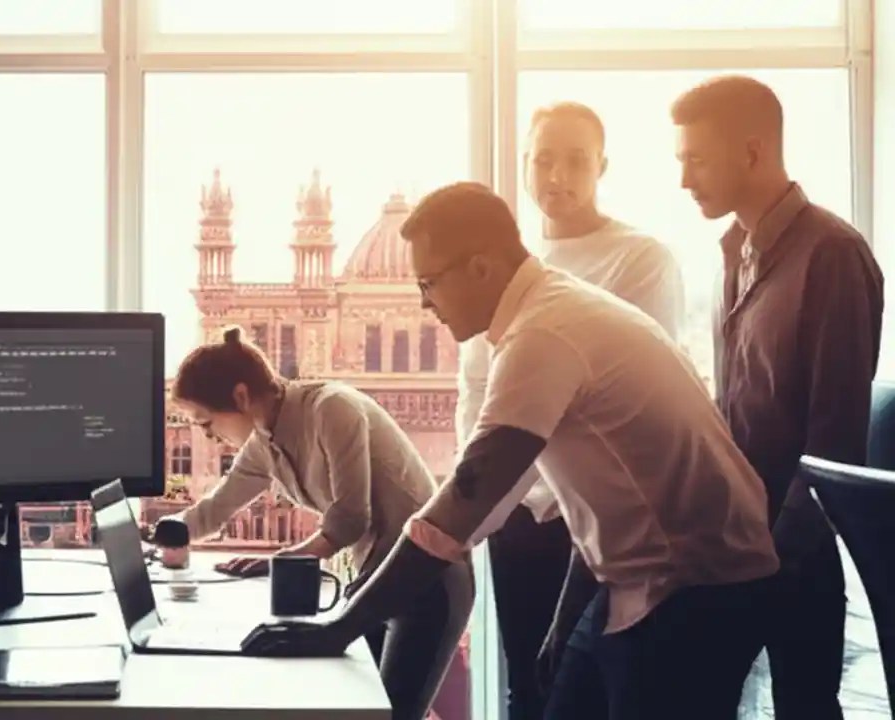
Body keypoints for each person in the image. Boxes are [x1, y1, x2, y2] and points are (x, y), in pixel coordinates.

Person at [242, 182, 781, 720]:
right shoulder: (552, 310)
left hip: (694, 589)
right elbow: (603, 492)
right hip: (637, 582)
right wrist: (568, 622)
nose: (425, 302)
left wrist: (339, 627)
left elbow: (463, 505)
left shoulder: (543, 334)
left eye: (430, 282)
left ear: (480, 267)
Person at [458, 101, 685, 720]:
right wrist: (488, 503)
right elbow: (477, 390)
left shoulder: (639, 259)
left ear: (602, 166)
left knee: (588, 691)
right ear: (525, 166)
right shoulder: (510, 266)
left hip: (598, 521)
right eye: (544, 159)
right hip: (517, 518)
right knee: (524, 686)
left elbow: (641, 404)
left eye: (576, 160)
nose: (557, 175)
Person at [673, 75, 885, 720]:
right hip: (732, 542)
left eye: (696, 159)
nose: (685, 180)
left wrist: (775, 548)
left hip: (792, 555)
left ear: (753, 150)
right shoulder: (730, 257)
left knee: (802, 708)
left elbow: (834, 434)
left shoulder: (833, 254)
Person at [156, 326, 473, 720]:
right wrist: (166, 533)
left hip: (427, 580)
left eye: (207, 423)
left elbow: (352, 518)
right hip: (374, 581)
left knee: (395, 715)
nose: (210, 436)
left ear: (240, 395)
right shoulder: (264, 444)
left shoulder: (332, 408)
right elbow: (217, 506)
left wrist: (286, 559)